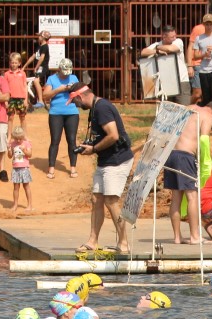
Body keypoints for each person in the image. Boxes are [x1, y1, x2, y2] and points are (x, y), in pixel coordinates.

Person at [71, 85, 135, 256]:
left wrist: (93, 149)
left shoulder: (102, 107)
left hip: (117, 160)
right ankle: (93, 241)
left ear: (81, 96)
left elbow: (113, 135)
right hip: (105, 160)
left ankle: (123, 243)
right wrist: (91, 146)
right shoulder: (94, 108)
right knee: (96, 198)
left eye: (75, 101)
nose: (76, 105)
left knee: (111, 201)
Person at [165, 100, 212, 245]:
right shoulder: (207, 114)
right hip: (185, 156)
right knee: (193, 196)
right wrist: (206, 161)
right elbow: (204, 139)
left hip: (171, 154)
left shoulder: (188, 107)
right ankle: (194, 236)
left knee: (176, 198)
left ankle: (177, 237)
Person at [44, 59, 79, 180]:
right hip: (56, 113)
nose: (66, 74)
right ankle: (51, 167)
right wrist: (59, 89)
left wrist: (73, 90)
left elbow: (80, 93)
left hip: (72, 112)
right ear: (59, 69)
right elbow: (45, 96)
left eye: (68, 72)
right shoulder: (52, 79)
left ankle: (73, 167)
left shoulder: (74, 78)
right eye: (64, 72)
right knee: (55, 140)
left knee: (72, 139)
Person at [141, 25, 189, 103]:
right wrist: (156, 51)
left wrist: (157, 48)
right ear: (164, 36)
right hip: (166, 82)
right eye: (171, 37)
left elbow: (171, 49)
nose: (174, 38)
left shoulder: (178, 41)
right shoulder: (157, 44)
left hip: (181, 80)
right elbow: (143, 52)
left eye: (175, 36)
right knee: (167, 108)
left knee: (184, 107)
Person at [7, 125, 33, 210]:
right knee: (16, 187)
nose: (18, 140)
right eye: (16, 139)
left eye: (20, 138)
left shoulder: (26, 143)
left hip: (24, 168)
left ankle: (29, 205)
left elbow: (30, 155)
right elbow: (10, 156)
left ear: (23, 137)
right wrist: (9, 150)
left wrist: (24, 150)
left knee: (26, 186)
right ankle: (15, 205)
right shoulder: (13, 144)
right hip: (15, 168)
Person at [25, 30, 52, 108]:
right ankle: (36, 100)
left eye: (40, 36)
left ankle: (40, 101)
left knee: (36, 81)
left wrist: (36, 67)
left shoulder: (45, 46)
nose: (38, 37)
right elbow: (32, 57)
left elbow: (42, 58)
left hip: (43, 68)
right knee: (33, 82)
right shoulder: (39, 47)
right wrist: (24, 67)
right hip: (39, 68)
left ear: (43, 38)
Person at [4, 52, 29, 132]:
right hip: (10, 98)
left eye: (15, 63)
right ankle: (9, 136)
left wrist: (26, 99)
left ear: (19, 63)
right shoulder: (6, 74)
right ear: (10, 63)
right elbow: (4, 88)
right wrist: (5, 101)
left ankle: (24, 135)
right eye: (12, 62)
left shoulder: (23, 73)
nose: (14, 64)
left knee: (22, 117)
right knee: (10, 118)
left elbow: (25, 87)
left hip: (21, 98)